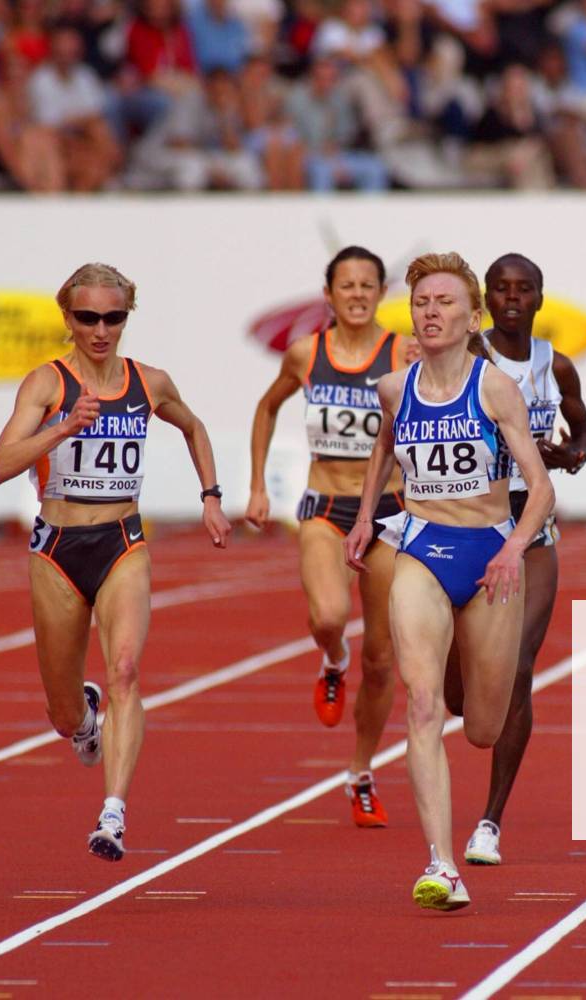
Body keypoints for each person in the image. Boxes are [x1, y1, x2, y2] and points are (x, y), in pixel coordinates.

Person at [0, 262, 232, 861]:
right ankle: (84, 717)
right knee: (62, 710)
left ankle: (113, 813)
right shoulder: (46, 384)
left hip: (123, 540)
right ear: (67, 318)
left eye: (114, 317)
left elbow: (193, 426)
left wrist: (211, 498)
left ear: (127, 317)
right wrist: (62, 427)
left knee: (124, 669)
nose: (100, 329)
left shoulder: (148, 382)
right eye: (88, 317)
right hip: (57, 551)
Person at [344, 251, 555, 910]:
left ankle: (472, 673)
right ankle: (441, 864)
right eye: (422, 304)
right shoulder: (392, 387)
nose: (431, 314)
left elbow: (541, 488)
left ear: (472, 318)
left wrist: (514, 548)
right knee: (424, 705)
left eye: (444, 304)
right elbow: (384, 445)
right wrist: (362, 517)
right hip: (422, 550)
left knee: (484, 725)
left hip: (489, 548)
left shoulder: (494, 388)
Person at [246, 246, 406, 827]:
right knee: (329, 618)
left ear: (381, 292)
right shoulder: (305, 354)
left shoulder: (403, 354)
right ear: (330, 294)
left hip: (390, 513)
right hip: (324, 506)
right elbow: (266, 409)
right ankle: (333, 661)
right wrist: (258, 485)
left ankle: (361, 773)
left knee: (385, 660)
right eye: (348, 285)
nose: (358, 294)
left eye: (368, 284)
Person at [450, 252, 586, 867]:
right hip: (469, 526)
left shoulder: (554, 367)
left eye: (524, 289)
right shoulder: (466, 359)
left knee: (519, 667)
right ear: (486, 299)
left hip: (532, 529)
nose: (513, 298)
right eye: (501, 289)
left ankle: (490, 822)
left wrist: (567, 455)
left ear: (539, 298)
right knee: (461, 696)